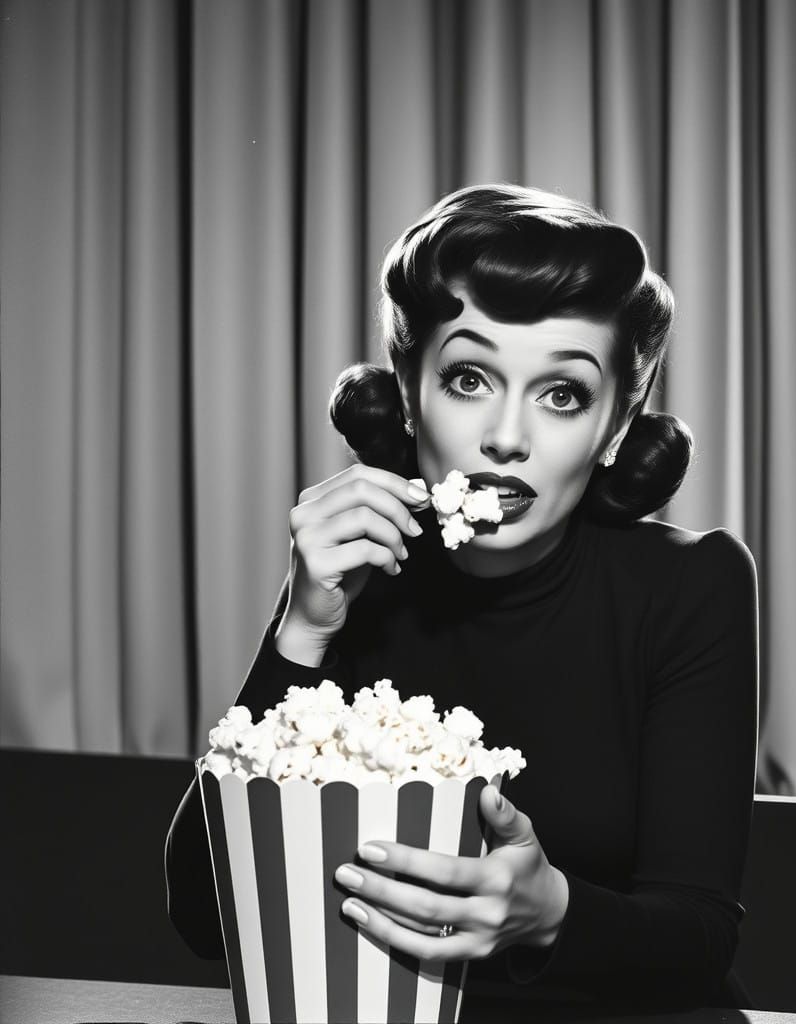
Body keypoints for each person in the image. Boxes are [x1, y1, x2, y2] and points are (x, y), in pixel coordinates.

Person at [164, 183, 759, 1016]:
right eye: (470, 377)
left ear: (617, 425)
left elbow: (701, 936)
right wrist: (299, 630)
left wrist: (551, 911)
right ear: (409, 393)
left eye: (563, 394)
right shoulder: (357, 579)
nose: (508, 437)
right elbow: (203, 913)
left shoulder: (693, 587)